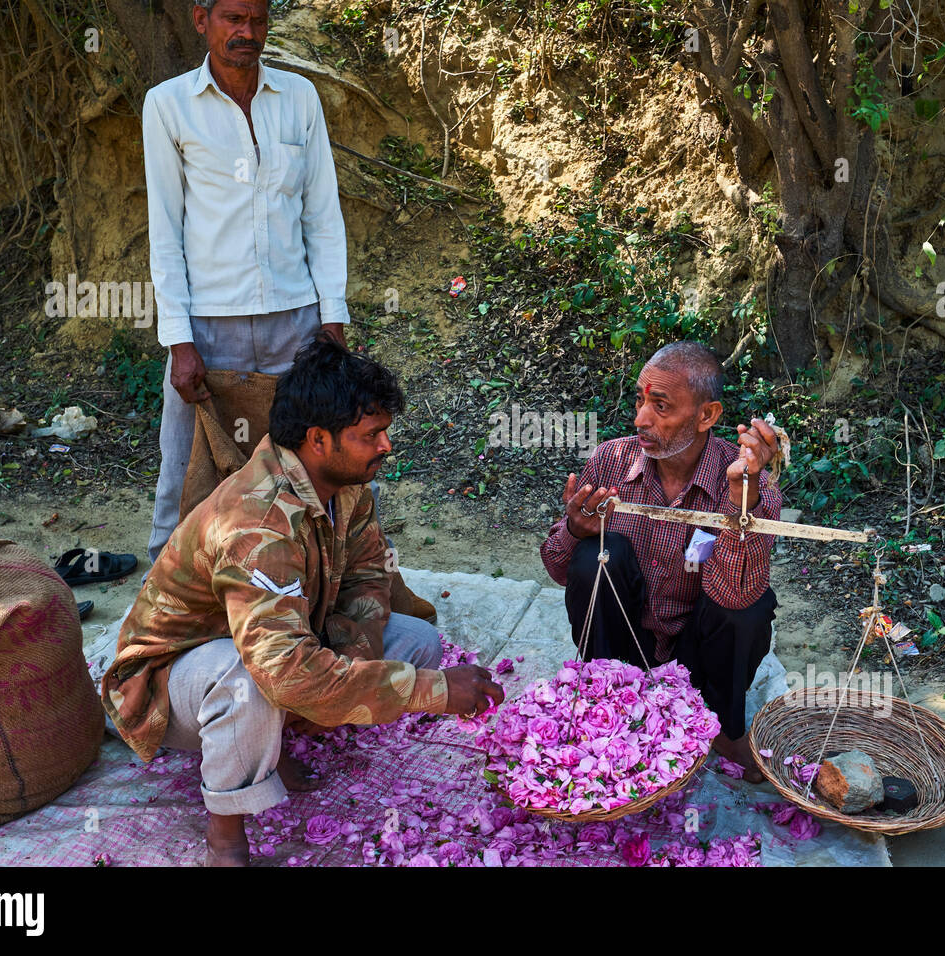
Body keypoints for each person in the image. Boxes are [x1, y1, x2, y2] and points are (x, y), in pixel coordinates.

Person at [102, 335, 504, 866]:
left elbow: (366, 580)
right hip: (170, 680)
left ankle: (281, 733)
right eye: (371, 435)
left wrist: (348, 673)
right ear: (318, 439)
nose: (386, 446)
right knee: (250, 682)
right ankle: (224, 834)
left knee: (419, 641)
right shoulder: (257, 526)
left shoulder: (346, 485)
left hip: (273, 643)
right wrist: (428, 692)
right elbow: (281, 668)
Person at [142, 0, 352, 564]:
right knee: (187, 461)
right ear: (201, 19)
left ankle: (332, 572)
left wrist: (331, 318)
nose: (247, 32)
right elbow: (165, 231)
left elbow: (322, 217)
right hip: (209, 323)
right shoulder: (167, 106)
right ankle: (167, 590)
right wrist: (178, 340)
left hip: (296, 317)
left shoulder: (299, 98)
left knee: (318, 453)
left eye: (257, 20)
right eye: (233, 19)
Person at [539, 342, 782, 782]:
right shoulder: (611, 461)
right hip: (625, 645)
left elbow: (734, 595)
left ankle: (721, 726)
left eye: (661, 406)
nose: (640, 420)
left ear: (707, 415)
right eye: (640, 400)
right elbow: (560, 571)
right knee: (595, 558)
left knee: (752, 605)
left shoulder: (750, 482)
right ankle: (607, 702)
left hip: (698, 653)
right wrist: (575, 531)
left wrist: (738, 505)